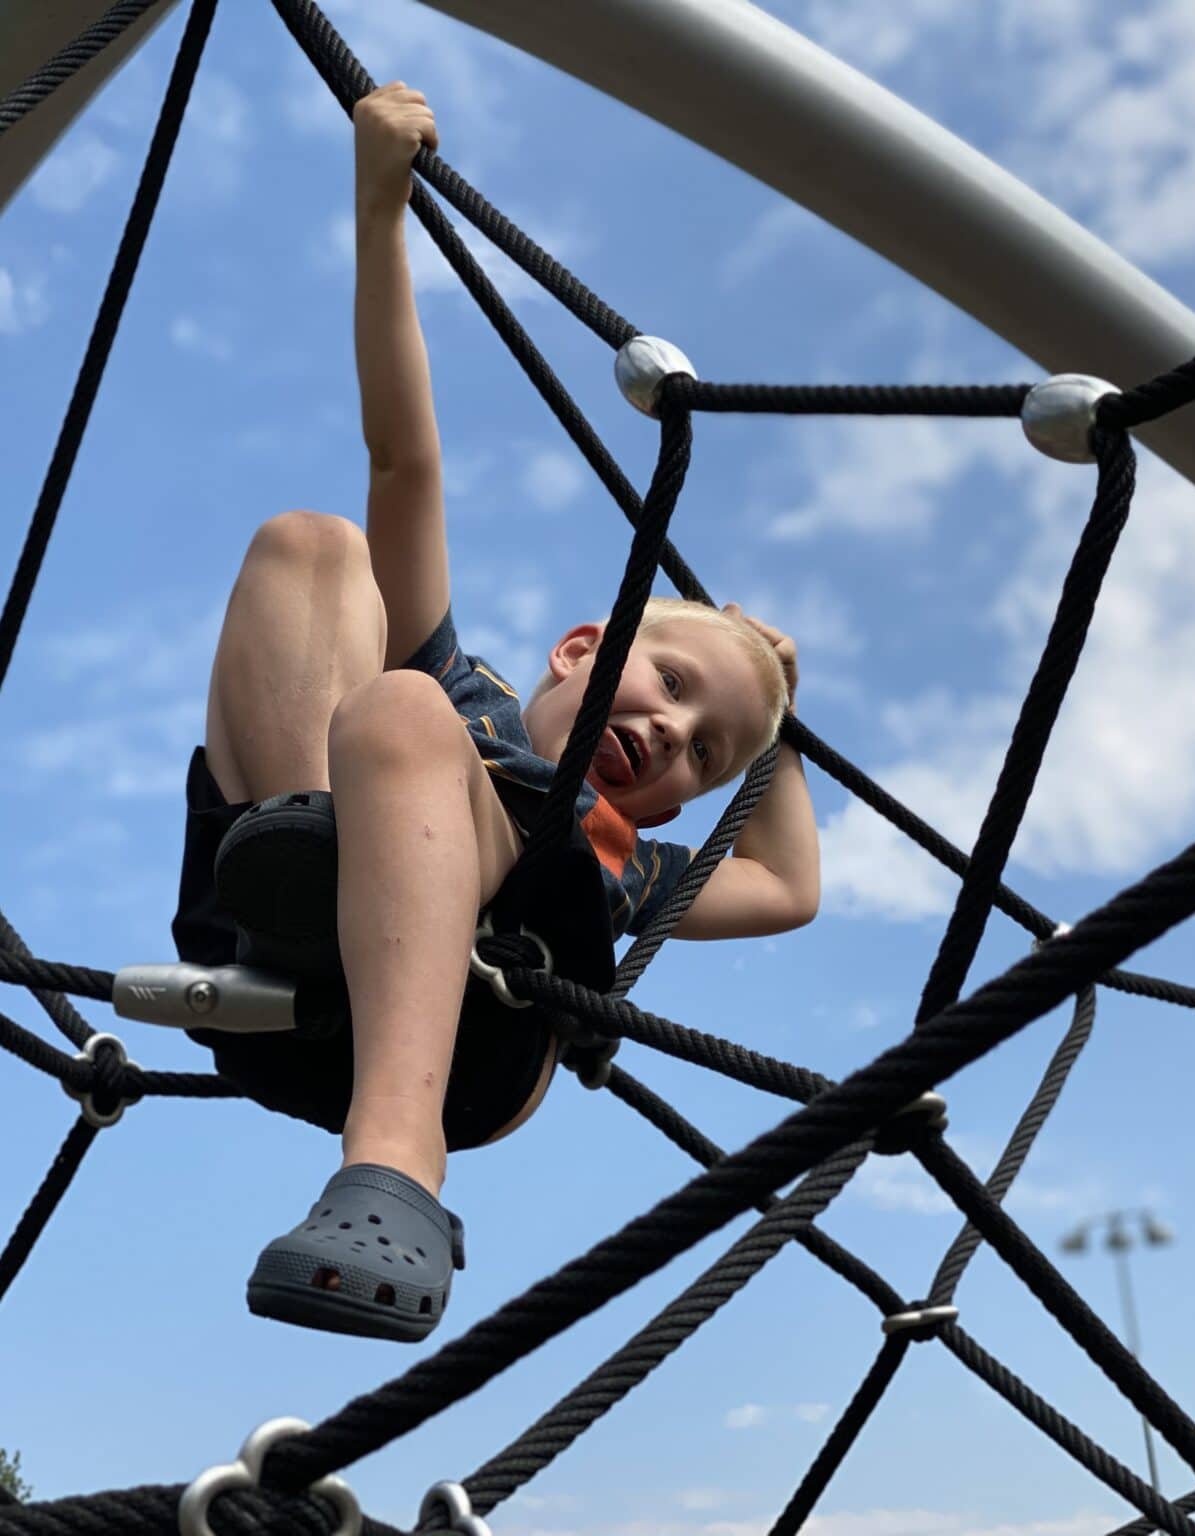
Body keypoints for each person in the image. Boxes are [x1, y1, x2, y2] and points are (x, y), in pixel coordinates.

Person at [167, 83, 822, 1342]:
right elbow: (404, 460)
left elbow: (788, 890)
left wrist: (776, 739)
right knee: (313, 546)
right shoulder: (456, 685)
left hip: (475, 1037)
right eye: (672, 687)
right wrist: (378, 212)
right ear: (582, 645)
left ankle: (393, 1174)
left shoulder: (628, 866)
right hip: (270, 975)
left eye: (706, 753)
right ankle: (311, 849)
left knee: (404, 718)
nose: (676, 739)